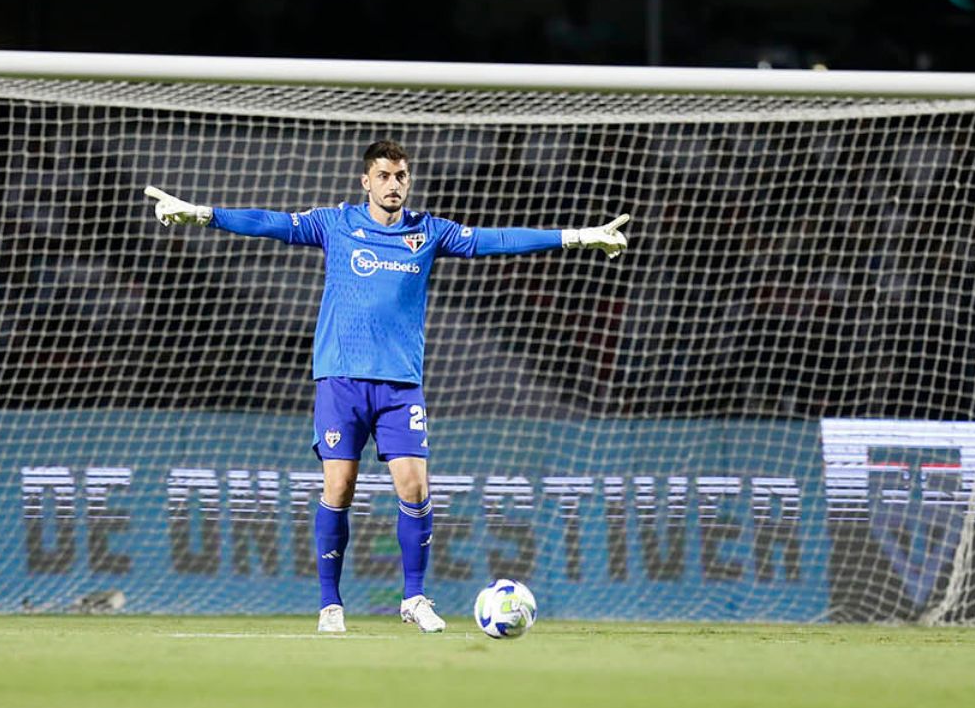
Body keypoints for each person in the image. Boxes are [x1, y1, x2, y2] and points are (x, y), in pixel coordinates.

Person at [148, 140, 629, 633]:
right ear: (366, 181)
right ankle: (330, 604)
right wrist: (203, 214)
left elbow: (497, 240)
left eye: (401, 175)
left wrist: (577, 237)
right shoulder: (335, 224)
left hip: (400, 384)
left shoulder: (428, 232)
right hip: (341, 378)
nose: (393, 184)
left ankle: (415, 597)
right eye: (383, 176)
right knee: (339, 487)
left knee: (416, 486)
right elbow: (272, 223)